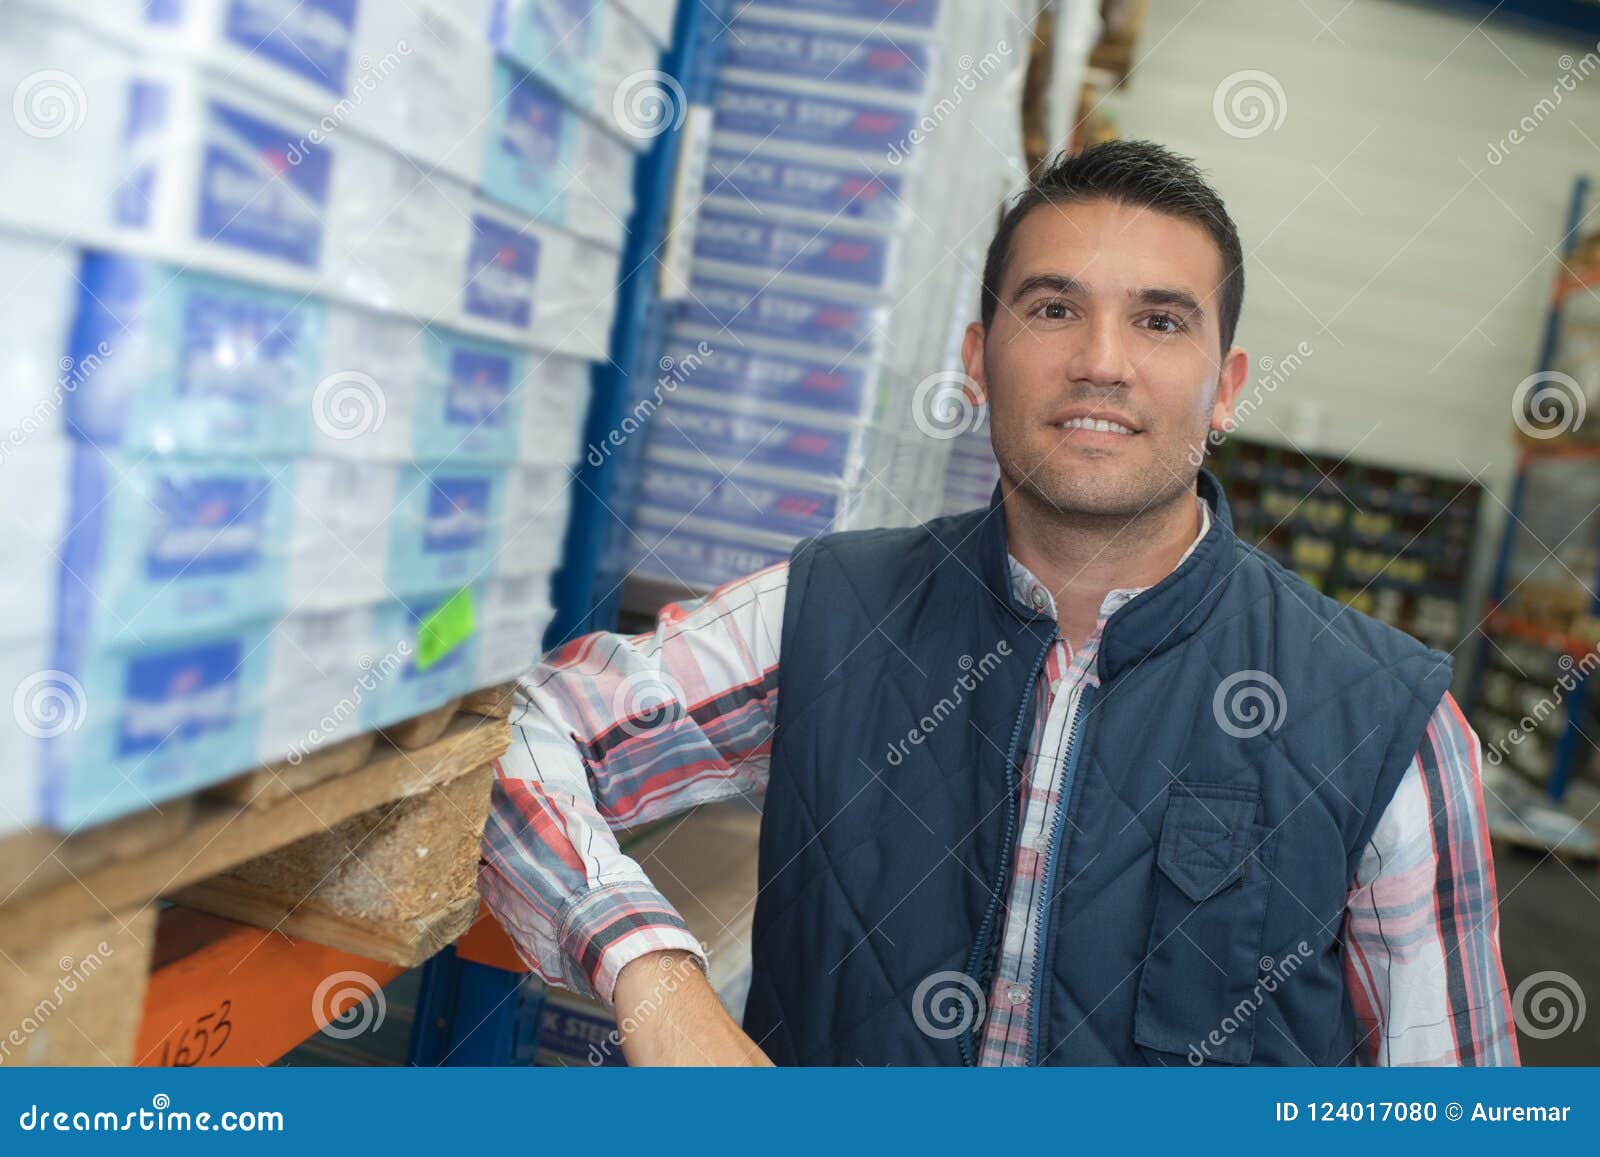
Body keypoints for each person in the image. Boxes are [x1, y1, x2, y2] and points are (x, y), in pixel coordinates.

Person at [479, 140, 1519, 1067]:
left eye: (1159, 320)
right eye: (1053, 308)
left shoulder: (1385, 724)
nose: (1101, 361)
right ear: (978, 360)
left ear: (1226, 387)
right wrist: (654, 976)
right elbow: (520, 729)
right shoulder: (829, 614)